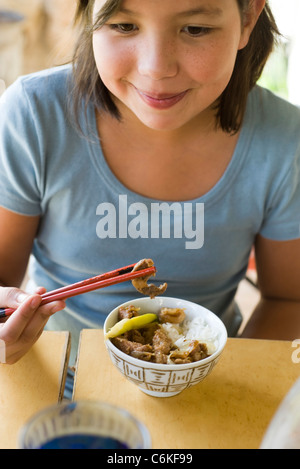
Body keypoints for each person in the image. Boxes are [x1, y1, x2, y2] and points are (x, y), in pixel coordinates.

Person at [0, 0, 300, 370]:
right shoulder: (34, 115)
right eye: (124, 26)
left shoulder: (285, 141)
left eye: (195, 29)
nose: (156, 68)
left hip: (212, 381)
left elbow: (289, 299)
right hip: (53, 378)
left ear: (248, 17)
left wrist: (229, 381)